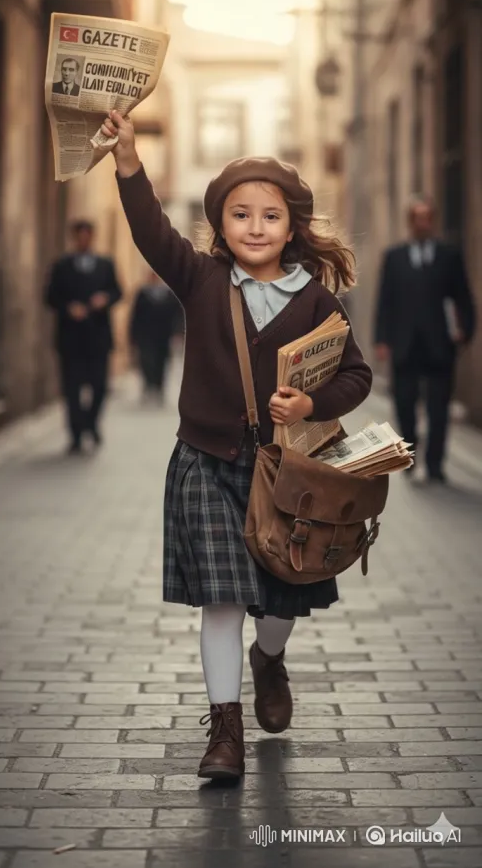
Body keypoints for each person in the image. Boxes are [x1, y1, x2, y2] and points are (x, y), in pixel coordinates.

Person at [101, 108, 372, 782]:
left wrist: (311, 403)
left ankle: (269, 658)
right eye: (241, 214)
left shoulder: (316, 300)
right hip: (205, 461)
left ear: (293, 227)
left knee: (279, 603)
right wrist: (128, 161)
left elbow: (357, 374)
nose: (256, 226)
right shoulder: (200, 278)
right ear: (221, 224)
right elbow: (149, 230)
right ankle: (226, 731)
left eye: (271, 216)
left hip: (287, 473)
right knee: (221, 598)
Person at [374, 196, 475, 482]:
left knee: (439, 407)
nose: (423, 223)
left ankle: (434, 465)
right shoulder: (394, 257)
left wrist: (466, 332)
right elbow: (385, 301)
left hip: (440, 345)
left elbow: (463, 297)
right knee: (404, 402)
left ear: (433, 221)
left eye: (428, 218)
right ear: (411, 222)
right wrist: (382, 340)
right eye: (418, 218)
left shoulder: (449, 256)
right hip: (404, 344)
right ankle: (411, 452)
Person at [44, 219, 123, 453]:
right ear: (74, 237)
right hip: (70, 338)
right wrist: (68, 307)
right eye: (80, 235)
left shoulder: (105, 264)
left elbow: (118, 291)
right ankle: (76, 435)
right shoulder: (62, 265)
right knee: (72, 389)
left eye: (88, 235)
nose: (84, 239)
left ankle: (90, 423)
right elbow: (49, 296)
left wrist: (105, 299)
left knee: (99, 387)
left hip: (98, 338)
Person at [129, 269, 184, 404]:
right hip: (145, 334)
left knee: (162, 361)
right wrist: (132, 336)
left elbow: (178, 315)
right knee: (146, 360)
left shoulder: (170, 294)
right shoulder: (142, 293)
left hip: (164, 335)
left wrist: (178, 333)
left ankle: (159, 388)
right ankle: (149, 385)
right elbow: (135, 315)